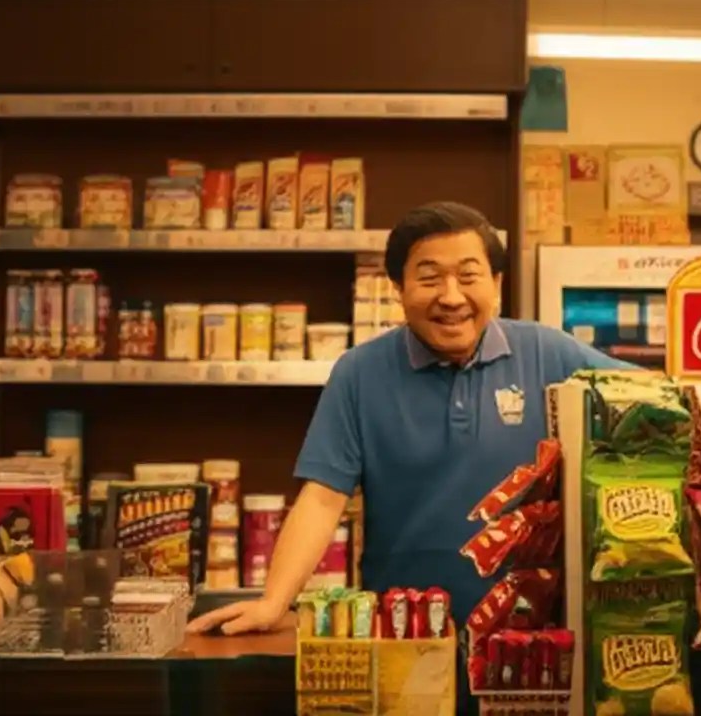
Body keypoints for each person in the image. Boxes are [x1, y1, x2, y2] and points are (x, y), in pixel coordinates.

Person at [186, 202, 630, 705]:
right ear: (398, 290)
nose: (451, 297)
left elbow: (651, 399)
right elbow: (323, 497)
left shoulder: (551, 354)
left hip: (533, 652)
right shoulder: (360, 373)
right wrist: (273, 601)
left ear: (497, 284)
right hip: (406, 643)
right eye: (429, 278)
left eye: (469, 276)